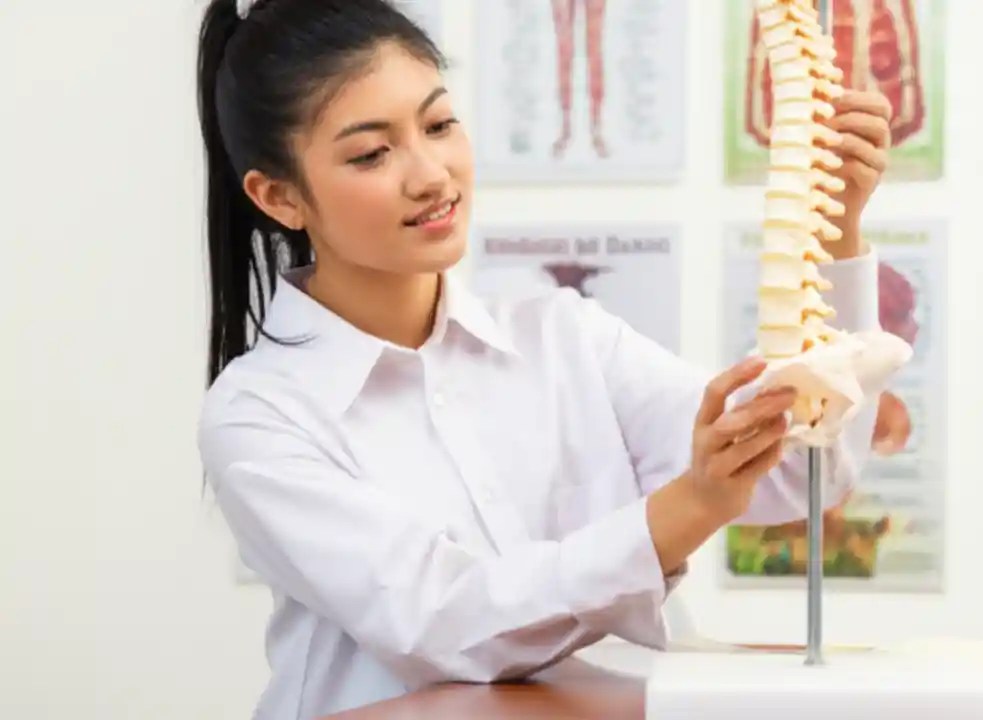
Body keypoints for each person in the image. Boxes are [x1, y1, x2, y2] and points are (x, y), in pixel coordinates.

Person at [195, 0, 897, 717]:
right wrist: (687, 507)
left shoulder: (565, 337)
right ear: (279, 197)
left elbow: (798, 471)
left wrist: (832, 230)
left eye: (439, 125)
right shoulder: (260, 417)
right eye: (372, 153)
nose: (431, 175)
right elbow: (444, 626)